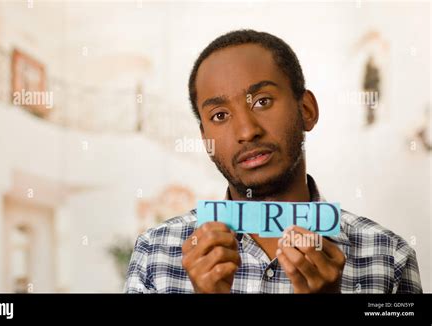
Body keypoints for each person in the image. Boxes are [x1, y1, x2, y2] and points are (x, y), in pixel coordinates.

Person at [125, 29, 422, 293]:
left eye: (263, 101)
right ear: (205, 139)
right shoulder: (155, 252)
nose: (246, 131)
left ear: (306, 109)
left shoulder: (390, 257)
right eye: (220, 115)